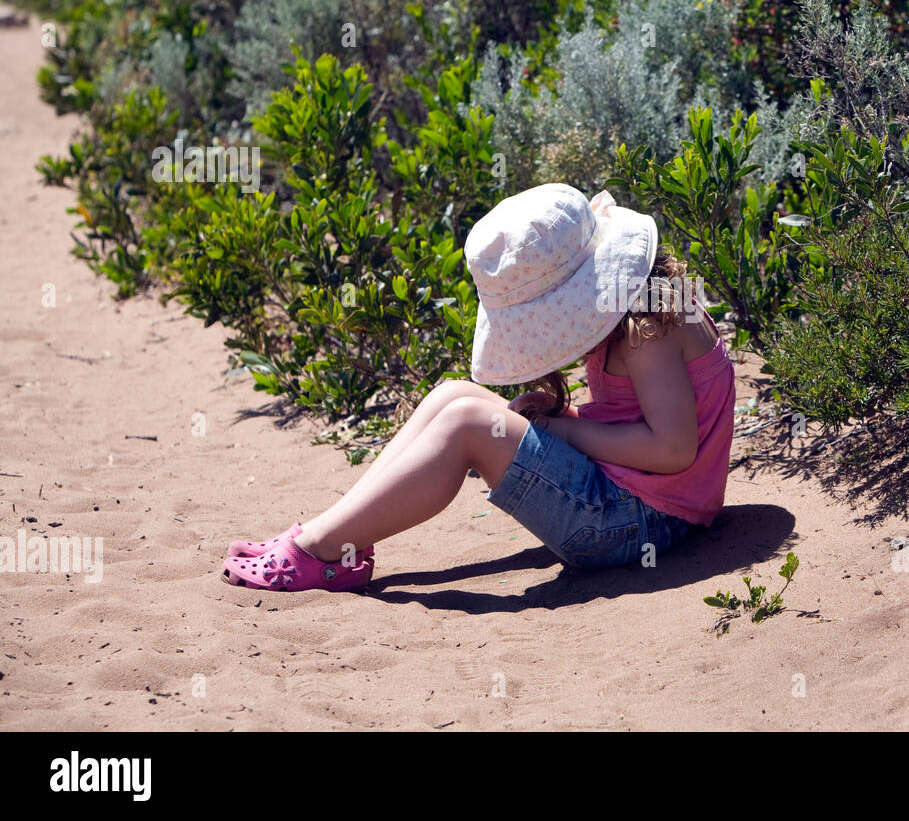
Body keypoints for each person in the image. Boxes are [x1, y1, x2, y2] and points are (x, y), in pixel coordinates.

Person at [220, 183, 736, 591]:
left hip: (647, 523)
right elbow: (645, 424)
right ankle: (334, 536)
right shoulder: (645, 304)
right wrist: (568, 422)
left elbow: (672, 450)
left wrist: (559, 427)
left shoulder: (646, 331)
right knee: (453, 395)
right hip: (637, 500)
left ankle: (322, 551)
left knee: (468, 424)